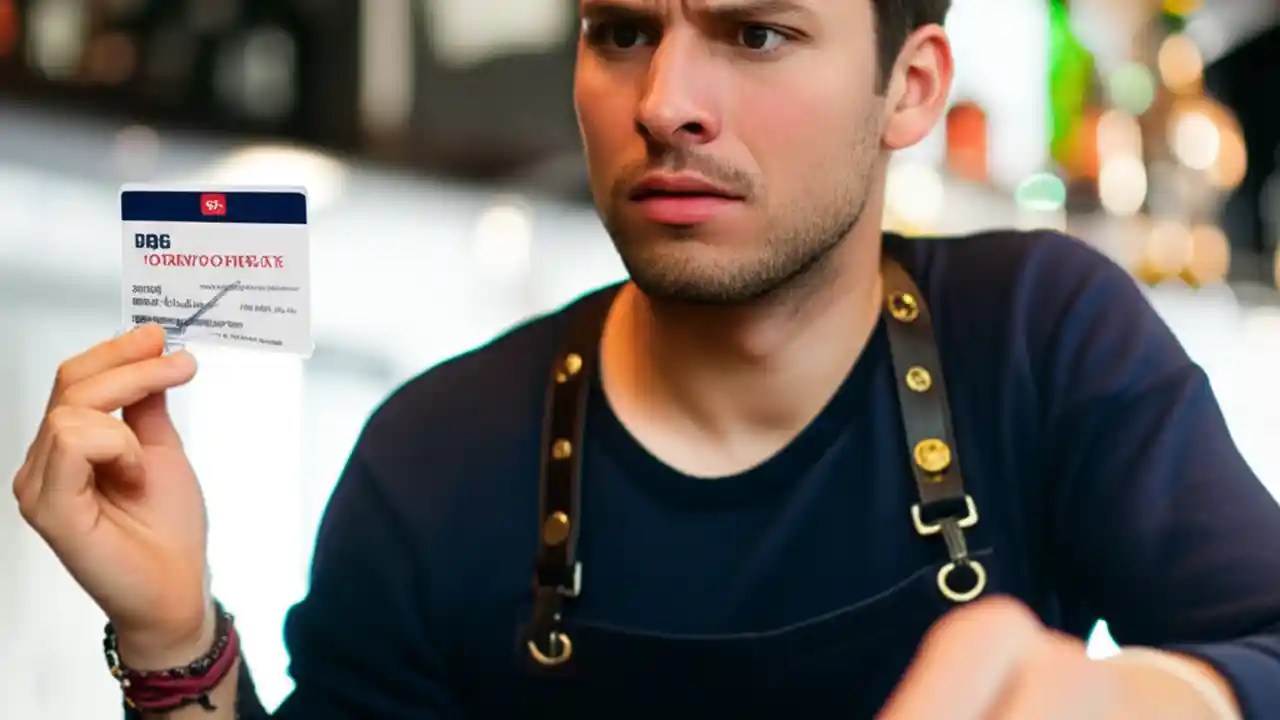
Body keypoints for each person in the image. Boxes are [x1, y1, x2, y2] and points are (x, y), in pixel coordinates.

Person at [12, 0, 1280, 717]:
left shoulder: (1034, 337)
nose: (664, 100)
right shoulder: (434, 459)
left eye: (755, 33)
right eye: (620, 30)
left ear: (908, 88)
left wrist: (1141, 702)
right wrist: (173, 635)